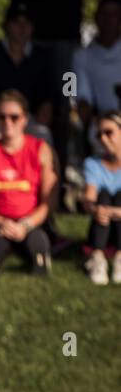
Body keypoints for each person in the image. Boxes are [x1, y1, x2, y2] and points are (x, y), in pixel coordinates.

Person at [0, 0, 92, 157]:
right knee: (24, 105)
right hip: (26, 41)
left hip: (65, 38)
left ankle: (60, 169)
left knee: (65, 103)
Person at [0, 90, 57, 280]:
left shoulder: (41, 149)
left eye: (14, 117)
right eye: (2, 117)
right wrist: (3, 223)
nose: (8, 122)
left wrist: (26, 224)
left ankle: (39, 255)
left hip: (32, 221)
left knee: (36, 237)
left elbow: (49, 202)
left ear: (25, 119)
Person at [0, 1, 55, 145]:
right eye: (17, 22)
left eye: (27, 23)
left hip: (28, 120)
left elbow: (52, 90)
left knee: (43, 139)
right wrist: (3, 115)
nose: (22, 28)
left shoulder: (42, 57)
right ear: (6, 26)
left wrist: (47, 106)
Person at [73, 0, 121, 150]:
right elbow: (75, 93)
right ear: (96, 17)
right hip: (100, 123)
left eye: (114, 14)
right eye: (104, 14)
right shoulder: (81, 55)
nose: (108, 20)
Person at [81, 110, 121, 284]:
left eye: (108, 132)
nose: (103, 139)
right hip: (102, 226)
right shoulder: (92, 164)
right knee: (103, 196)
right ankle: (97, 257)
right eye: (99, 135)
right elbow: (88, 199)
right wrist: (95, 210)